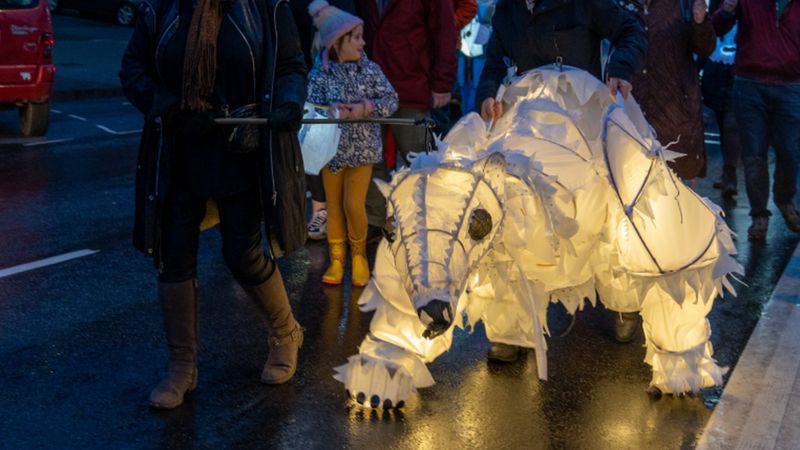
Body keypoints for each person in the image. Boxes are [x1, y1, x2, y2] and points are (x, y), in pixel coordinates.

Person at [120, 0, 307, 409]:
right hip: (178, 149)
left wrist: (289, 103)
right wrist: (169, 108)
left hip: (241, 149)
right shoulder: (160, 8)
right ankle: (181, 366)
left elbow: (290, 65)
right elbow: (133, 70)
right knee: (173, 255)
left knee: (241, 253)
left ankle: (286, 331)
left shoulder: (266, 7)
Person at [476, 0, 646, 361]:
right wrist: (488, 91)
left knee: (614, 199)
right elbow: (494, 60)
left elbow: (630, 30)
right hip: (527, 124)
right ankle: (515, 326)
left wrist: (620, 67)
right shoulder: (508, 10)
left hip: (583, 119)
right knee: (511, 206)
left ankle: (624, 300)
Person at [306, 0, 399, 286]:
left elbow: (391, 101)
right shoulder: (320, 73)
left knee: (353, 204)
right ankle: (337, 259)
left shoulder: (370, 70)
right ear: (337, 42)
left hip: (362, 150)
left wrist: (366, 108)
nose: (363, 42)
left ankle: (358, 256)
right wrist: (328, 111)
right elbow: (310, 106)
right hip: (330, 151)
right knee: (333, 205)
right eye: (356, 37)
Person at [357, 0, 458, 234]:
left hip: (410, 85)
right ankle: (375, 222)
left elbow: (444, 31)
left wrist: (443, 81)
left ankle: (432, 222)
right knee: (371, 159)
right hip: (371, 89)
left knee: (422, 161)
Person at [712, 0, 800, 241]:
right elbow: (716, 27)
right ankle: (759, 215)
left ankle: (784, 199)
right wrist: (726, 10)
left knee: (790, 152)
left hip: (791, 85)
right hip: (750, 84)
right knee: (754, 155)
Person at [620, 0, 716, 182]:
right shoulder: (619, 4)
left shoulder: (683, 4)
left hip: (676, 114)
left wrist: (700, 21)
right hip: (630, 108)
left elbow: (705, 48)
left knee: (678, 191)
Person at [290, 0, 358, 241]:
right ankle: (320, 210)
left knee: (342, 146)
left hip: (340, 57)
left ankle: (339, 212)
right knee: (311, 143)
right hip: (306, 65)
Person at [702, 6, 740, 198]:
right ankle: (728, 173)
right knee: (724, 119)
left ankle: (730, 174)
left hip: (736, 63)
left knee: (730, 122)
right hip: (718, 61)